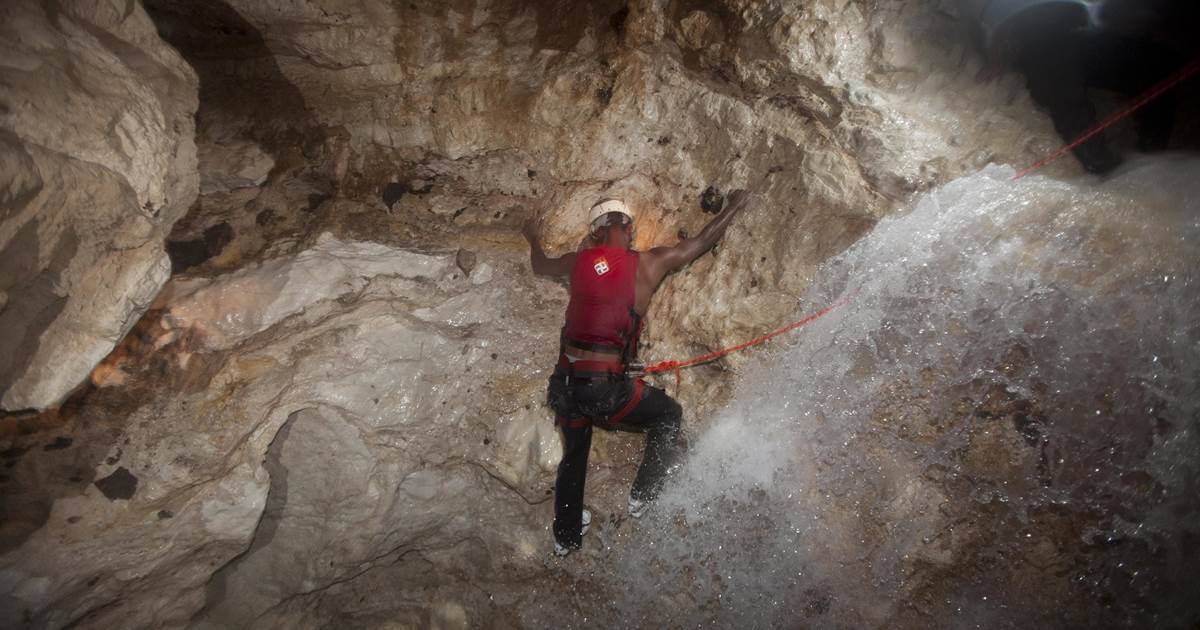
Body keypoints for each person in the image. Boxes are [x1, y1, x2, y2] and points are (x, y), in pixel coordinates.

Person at [523, 192, 750, 556]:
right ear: (628, 228)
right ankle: (643, 497)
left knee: (574, 452)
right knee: (668, 415)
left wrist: (531, 235)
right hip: (603, 390)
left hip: (564, 386)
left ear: (596, 233)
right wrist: (736, 205)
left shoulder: (575, 261)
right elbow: (704, 241)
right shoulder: (648, 263)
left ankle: (565, 536)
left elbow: (539, 264)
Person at [961, 0, 1182, 174]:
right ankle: (1098, 164)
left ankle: (1149, 154)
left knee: (1160, 63)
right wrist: (997, 56)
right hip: (1032, 40)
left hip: (1077, 29)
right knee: (1055, 62)